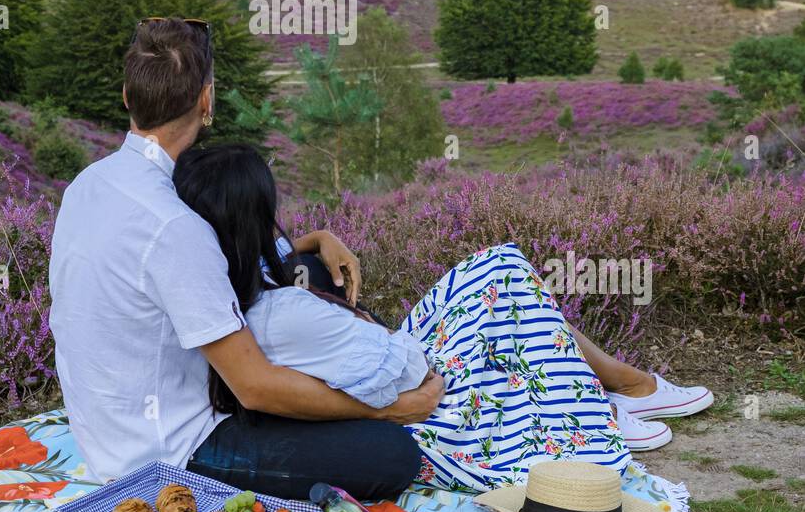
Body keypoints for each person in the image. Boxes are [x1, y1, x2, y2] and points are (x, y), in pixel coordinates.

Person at [172, 142, 714, 492]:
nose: (278, 222)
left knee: (503, 271)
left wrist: (321, 239)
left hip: (382, 357)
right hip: (408, 388)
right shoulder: (274, 312)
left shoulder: (227, 257)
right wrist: (377, 346)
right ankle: (595, 400)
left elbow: (283, 251)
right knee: (505, 298)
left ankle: (608, 388)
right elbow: (394, 372)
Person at [49, 17, 437, 501]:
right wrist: (385, 408)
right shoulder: (174, 226)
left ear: (128, 95)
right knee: (392, 455)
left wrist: (314, 240)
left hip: (103, 423)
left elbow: (222, 263)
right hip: (168, 448)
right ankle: (373, 383)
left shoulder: (89, 183)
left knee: (310, 273)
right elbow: (254, 387)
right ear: (206, 101)